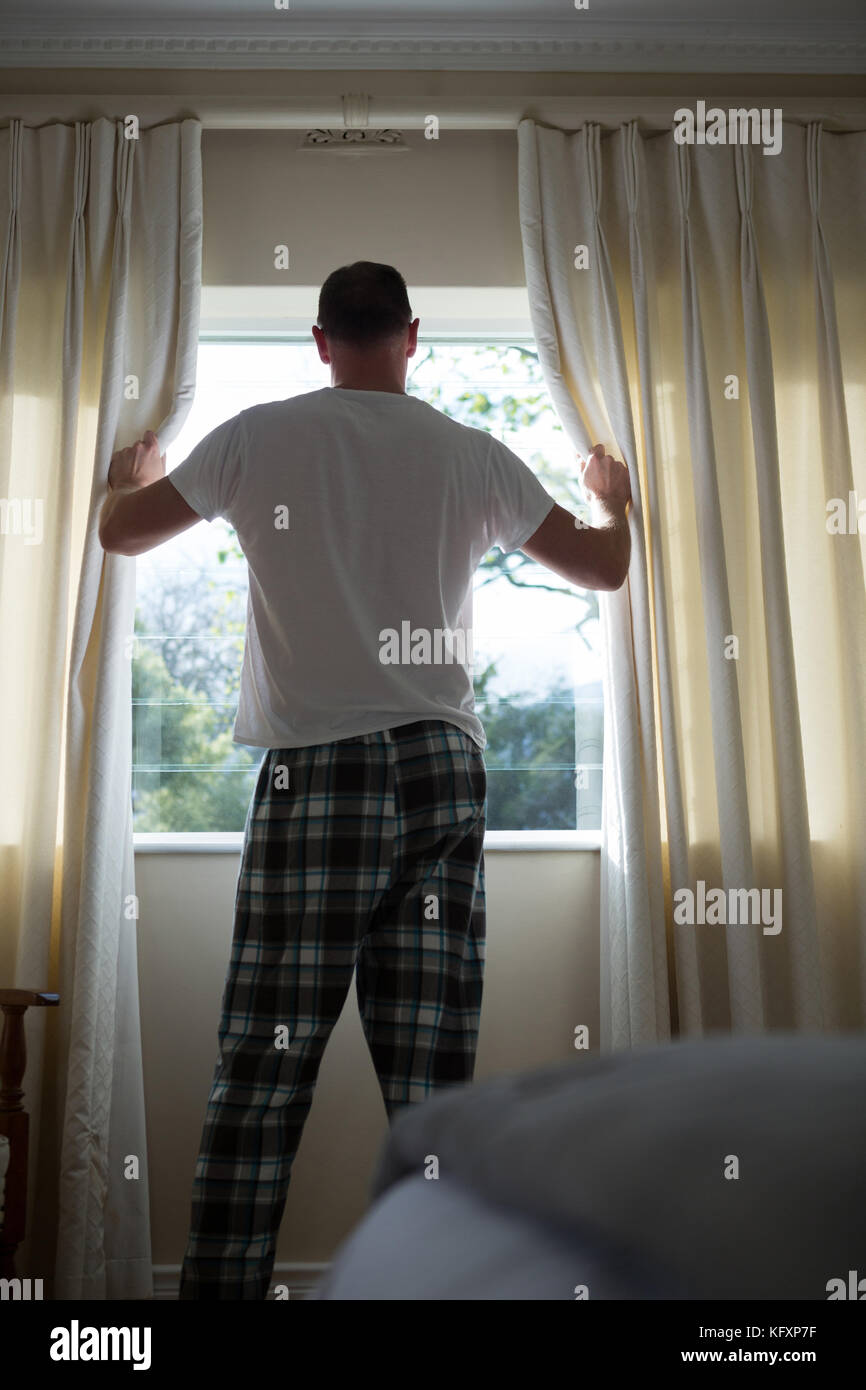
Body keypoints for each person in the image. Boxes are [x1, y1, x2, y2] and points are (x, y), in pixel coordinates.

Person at [99, 260, 632, 1299]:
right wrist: (605, 499)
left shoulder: (259, 436)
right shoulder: (467, 453)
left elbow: (122, 533)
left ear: (318, 340)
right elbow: (602, 567)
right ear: (411, 335)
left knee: (261, 1074)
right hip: (440, 766)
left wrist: (133, 470)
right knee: (430, 1085)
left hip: (319, 780)